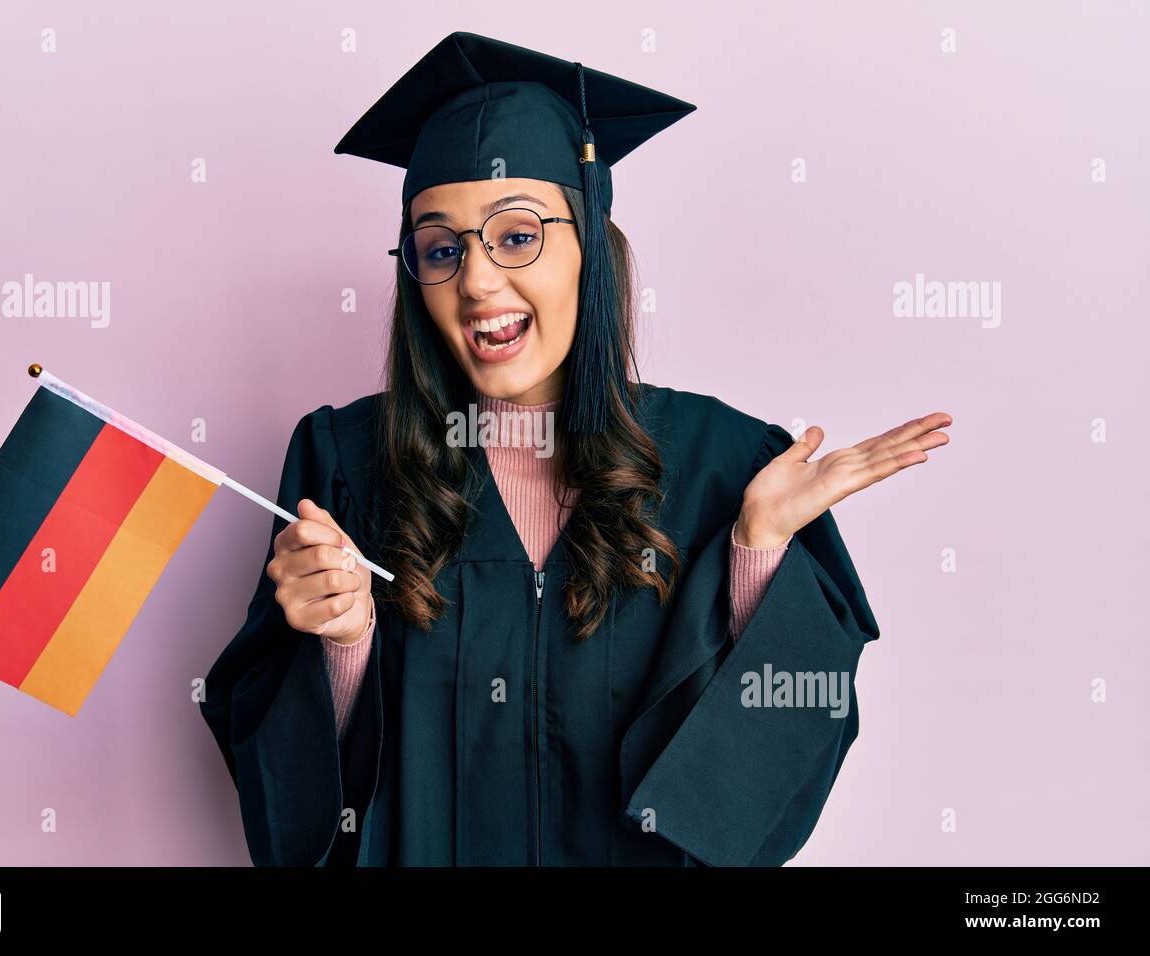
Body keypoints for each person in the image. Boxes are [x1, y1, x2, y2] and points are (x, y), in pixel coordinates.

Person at [199, 32, 951, 866]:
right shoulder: (344, 466)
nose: (477, 281)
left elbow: (777, 753)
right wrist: (340, 646)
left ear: (591, 245)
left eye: (516, 235)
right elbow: (283, 784)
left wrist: (755, 558)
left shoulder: (722, 463)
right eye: (440, 248)